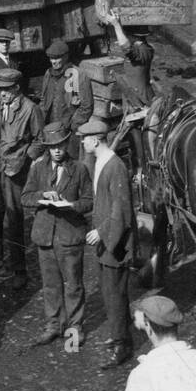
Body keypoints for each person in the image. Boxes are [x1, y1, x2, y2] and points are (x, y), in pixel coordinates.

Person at [22, 121, 93, 347]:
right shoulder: (38, 168)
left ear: (66, 143)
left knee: (73, 284)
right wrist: (42, 196)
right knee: (50, 285)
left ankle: (74, 330)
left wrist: (71, 205)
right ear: (46, 147)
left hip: (69, 235)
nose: (56, 150)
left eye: (60, 145)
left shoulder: (80, 169)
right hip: (45, 235)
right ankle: (53, 325)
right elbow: (25, 197)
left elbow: (89, 201)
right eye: (52, 146)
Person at [0, 67, 44, 289]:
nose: (2, 94)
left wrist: (25, 160)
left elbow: (40, 140)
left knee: (14, 219)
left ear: (16, 88)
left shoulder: (31, 110)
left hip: (15, 170)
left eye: (6, 90)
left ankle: (19, 269)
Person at [78, 115, 137, 370]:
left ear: (94, 140)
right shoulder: (100, 161)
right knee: (108, 292)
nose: (81, 143)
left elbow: (120, 210)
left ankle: (122, 345)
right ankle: (117, 335)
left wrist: (101, 232)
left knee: (115, 295)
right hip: (106, 242)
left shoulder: (115, 167)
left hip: (116, 243)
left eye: (84, 140)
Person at [39, 39, 82, 134]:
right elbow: (43, 99)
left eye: (57, 58)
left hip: (67, 126)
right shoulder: (48, 74)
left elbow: (86, 106)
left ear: (65, 57)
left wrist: (73, 125)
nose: (53, 62)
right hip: (50, 125)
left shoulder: (75, 74)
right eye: (51, 58)